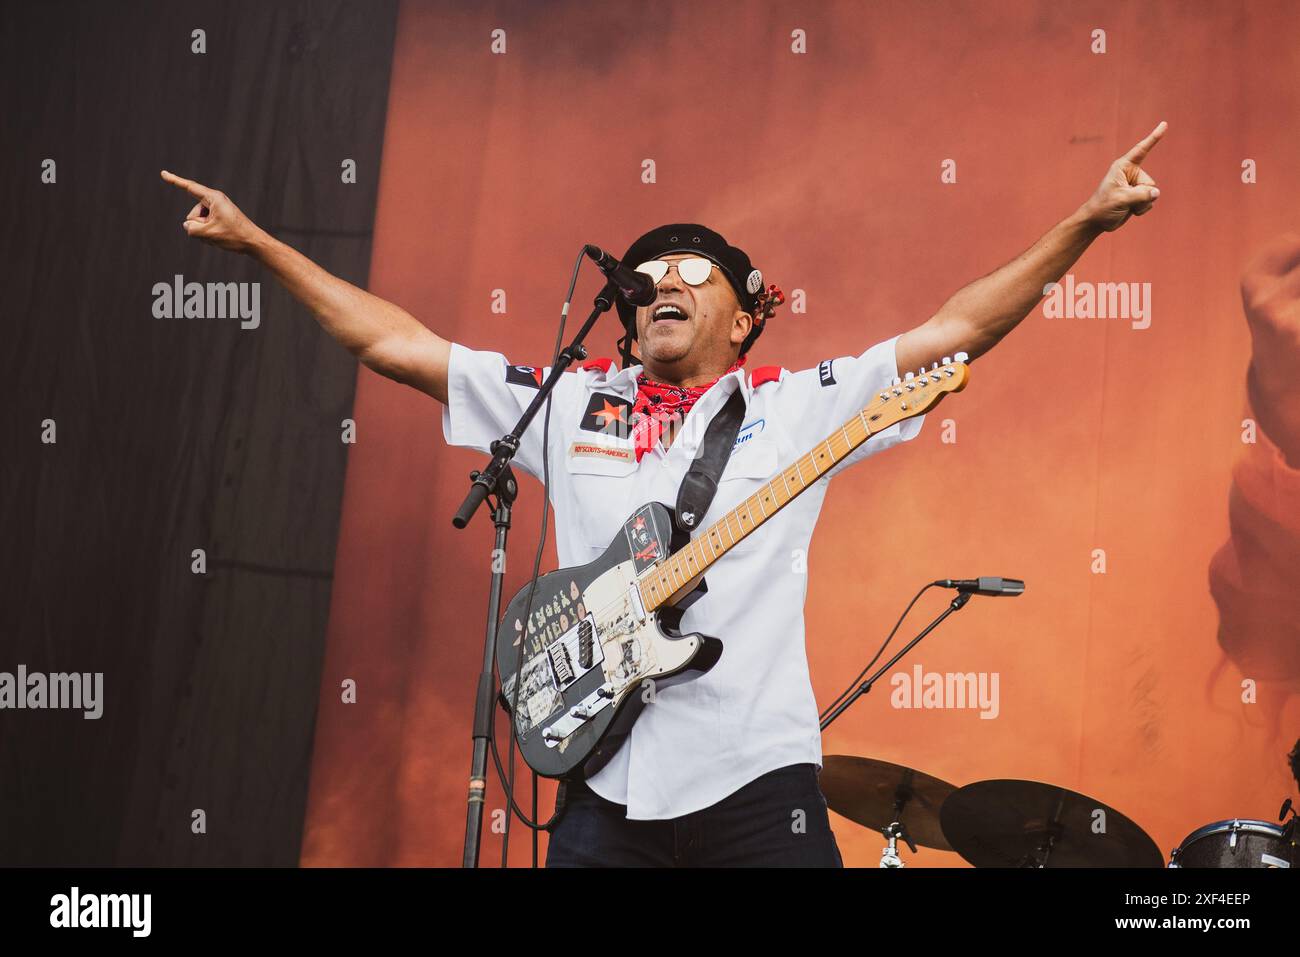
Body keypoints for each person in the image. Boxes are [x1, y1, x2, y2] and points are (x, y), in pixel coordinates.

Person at [159, 120, 1164, 866]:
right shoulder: (567, 401)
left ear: (742, 321)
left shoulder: (798, 404)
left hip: (753, 771)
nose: (662, 283)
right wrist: (260, 245)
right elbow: (395, 344)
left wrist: (1083, 223)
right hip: (604, 779)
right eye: (645, 279)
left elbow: (954, 334)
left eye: (692, 273)